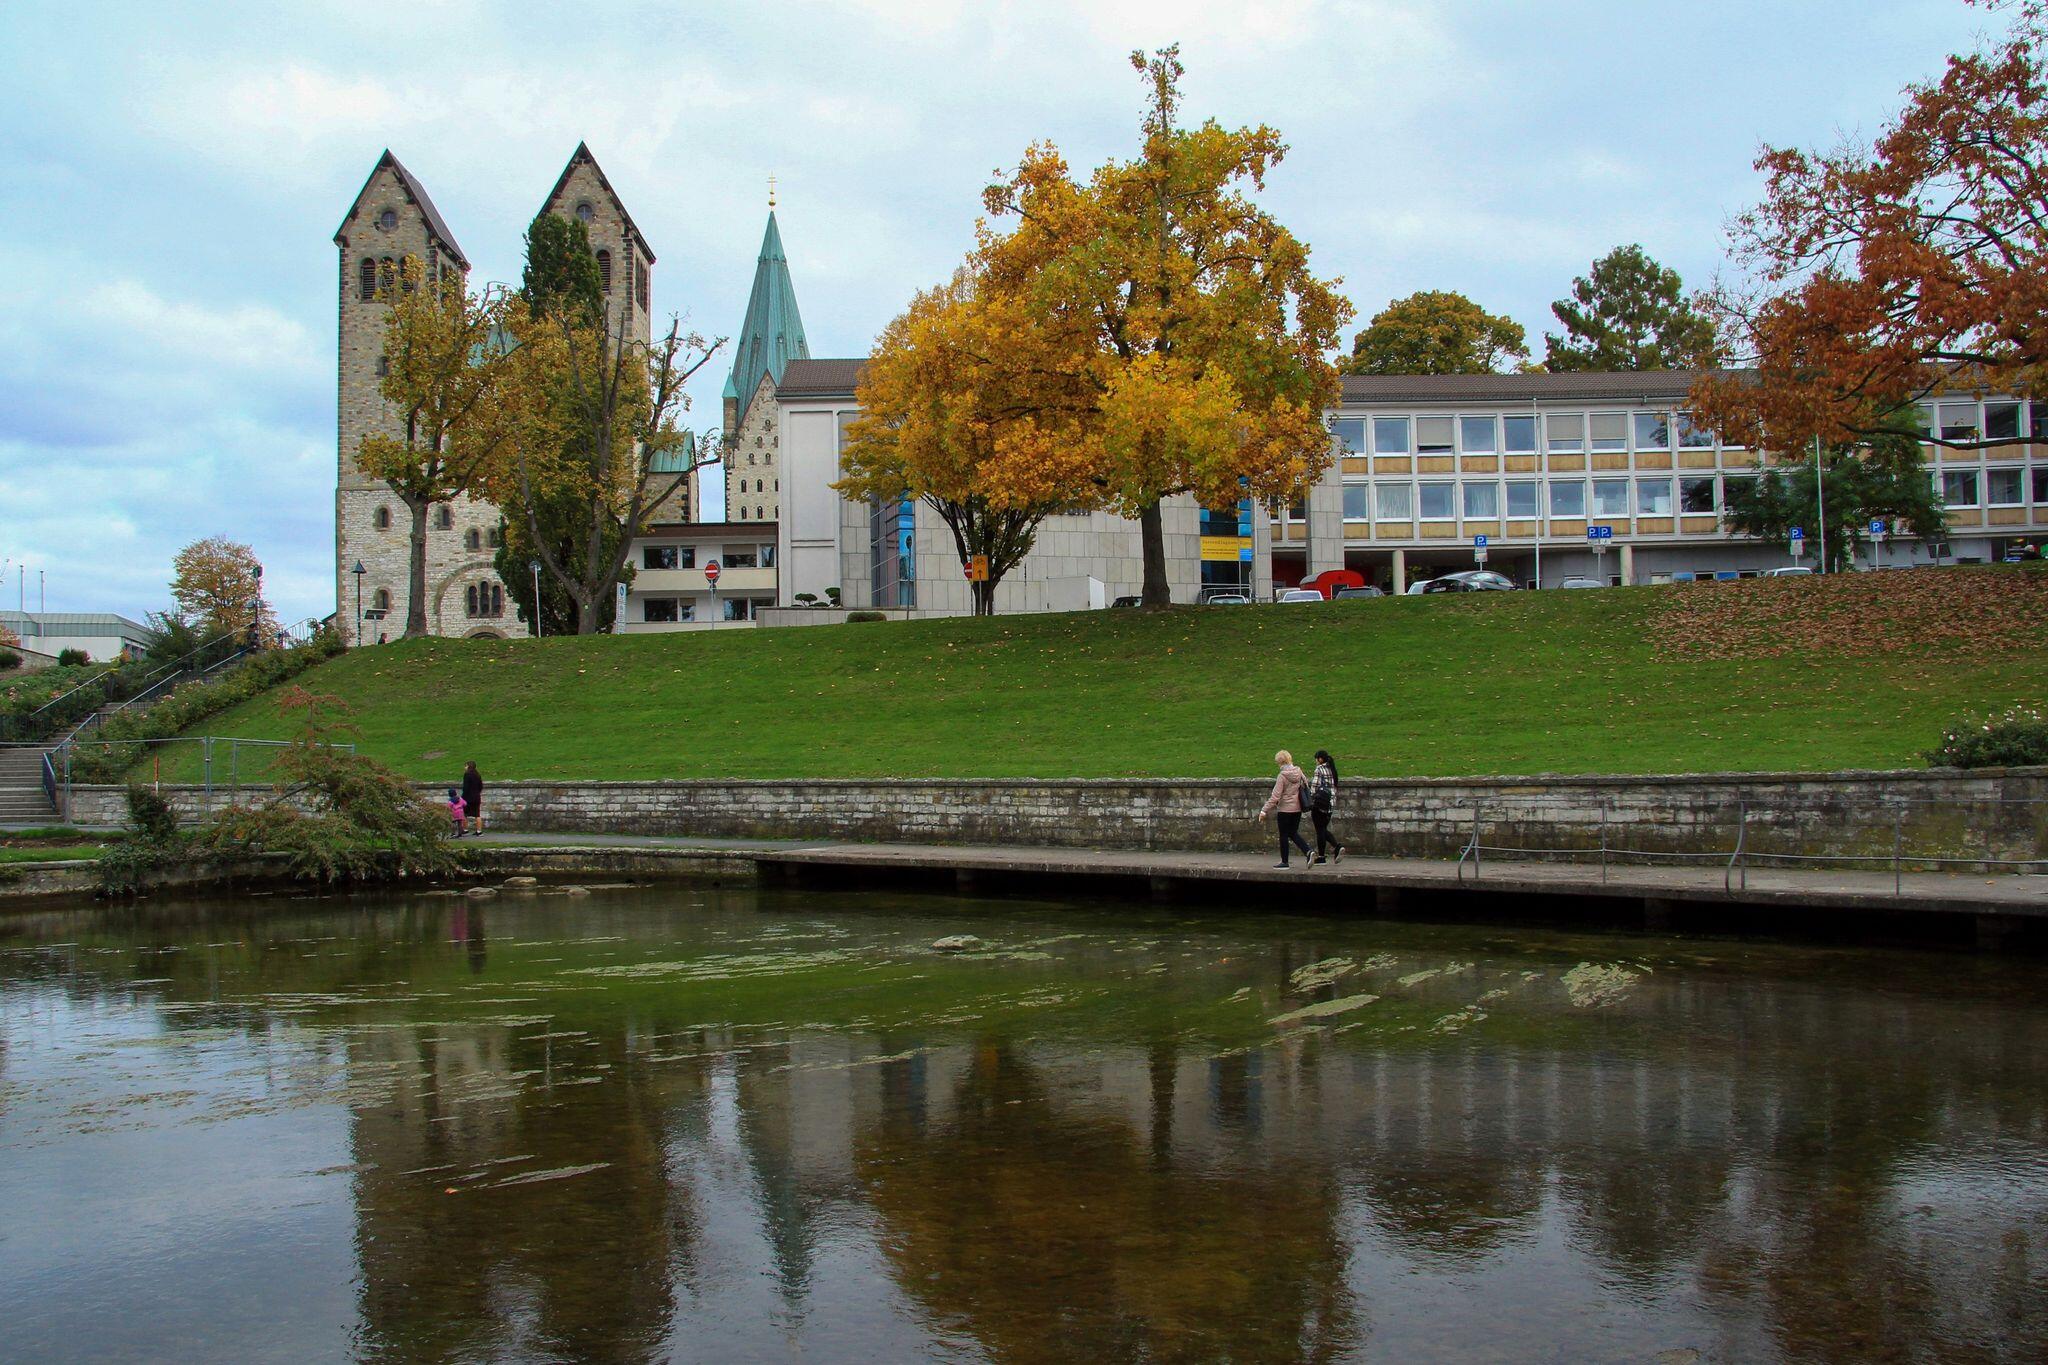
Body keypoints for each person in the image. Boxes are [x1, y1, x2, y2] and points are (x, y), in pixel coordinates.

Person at [1256, 749, 1314, 869]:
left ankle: (1284, 862)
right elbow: (1306, 785)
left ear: (1280, 762)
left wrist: (1264, 810)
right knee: (1293, 833)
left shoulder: (1282, 776)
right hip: (1297, 809)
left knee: (1283, 835)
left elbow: (1275, 796)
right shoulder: (1298, 771)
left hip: (1285, 810)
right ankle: (1308, 851)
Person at [1308, 749, 1344, 864]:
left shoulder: (1319, 769)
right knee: (1322, 829)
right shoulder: (1332, 769)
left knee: (1320, 830)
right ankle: (1323, 855)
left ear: (1320, 759)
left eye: (1316, 759)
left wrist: (1310, 799)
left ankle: (1335, 847)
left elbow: (1314, 787)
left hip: (1319, 804)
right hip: (1330, 804)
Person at [461, 761, 485, 836]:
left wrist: (463, 797)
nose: (465, 767)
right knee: (477, 814)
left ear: (468, 766)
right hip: (476, 797)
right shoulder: (477, 775)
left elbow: (466, 787)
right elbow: (480, 786)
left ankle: (465, 829)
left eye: (466, 766)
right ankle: (479, 831)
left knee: (464, 813)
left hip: (468, 797)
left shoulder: (467, 775)